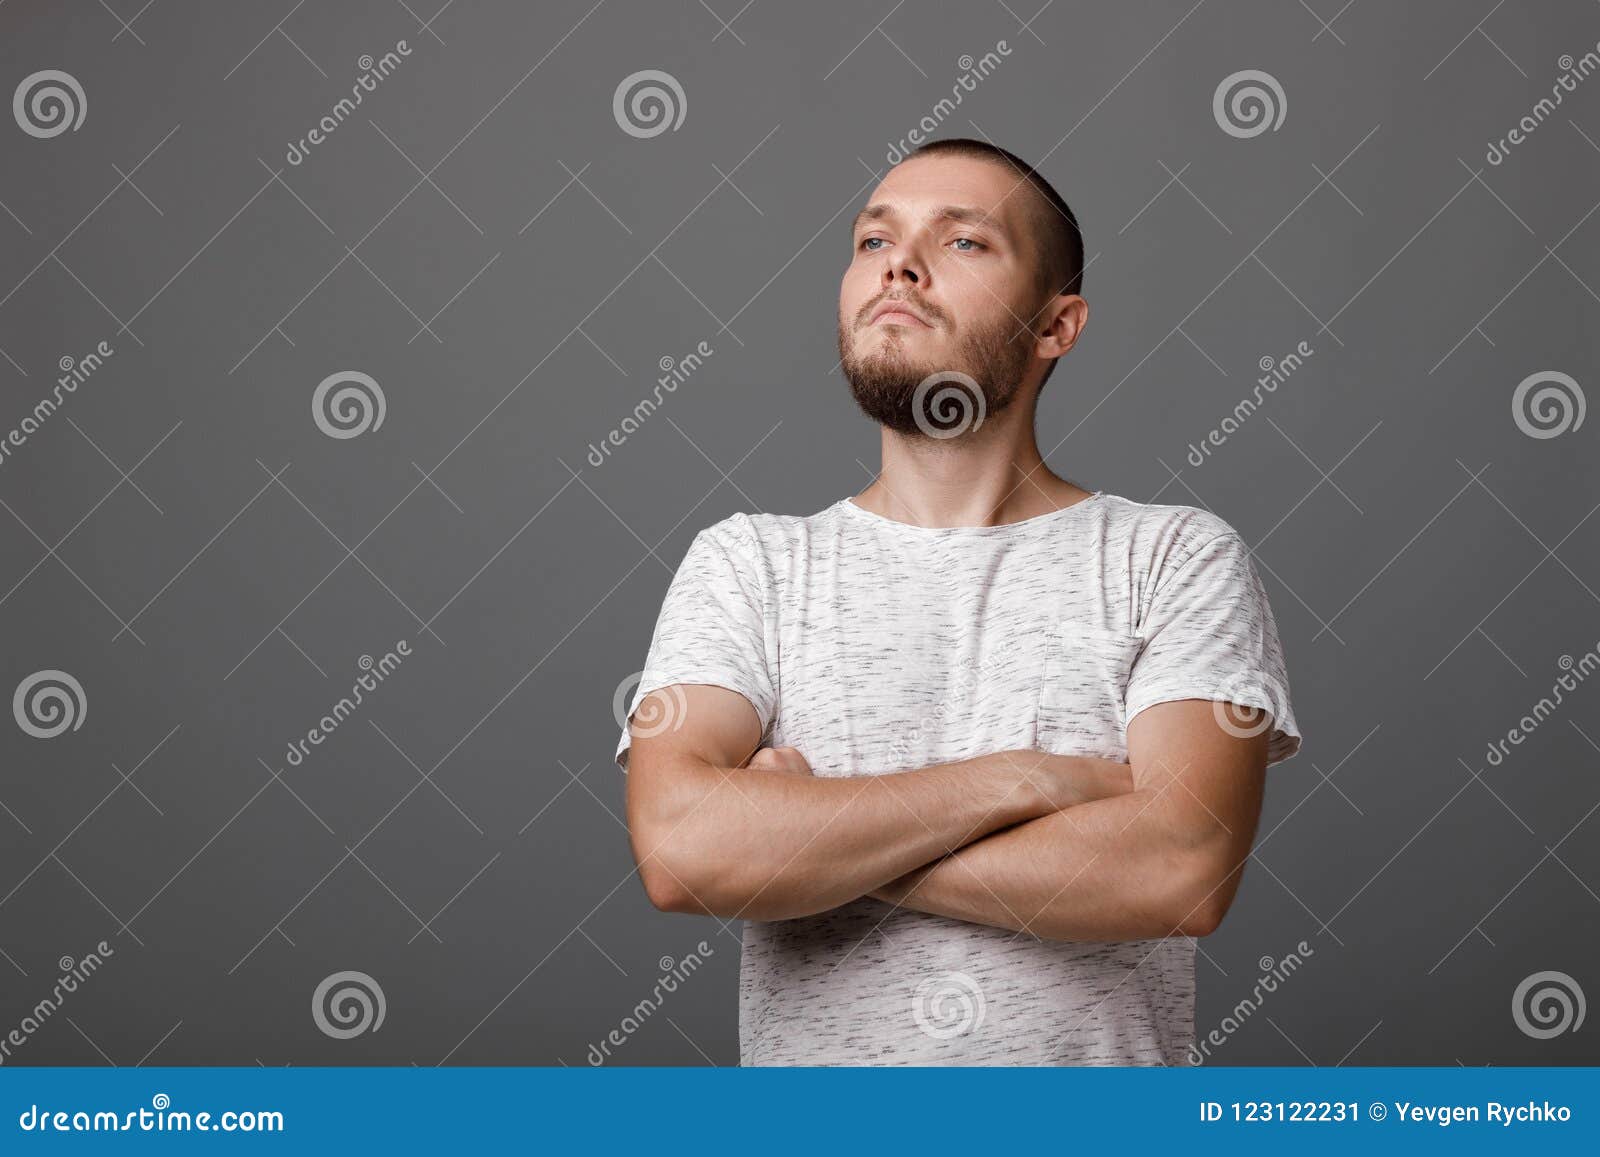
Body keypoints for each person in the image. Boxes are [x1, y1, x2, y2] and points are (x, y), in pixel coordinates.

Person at [614, 138, 1303, 1065]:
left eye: (965, 242)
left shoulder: (1172, 557)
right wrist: (1020, 781)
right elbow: (681, 850)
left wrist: (809, 837)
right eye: (871, 241)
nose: (898, 263)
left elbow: (1178, 871)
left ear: (1056, 325)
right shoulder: (750, 565)